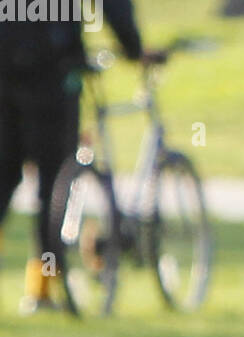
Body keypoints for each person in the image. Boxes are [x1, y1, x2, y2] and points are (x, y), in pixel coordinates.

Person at [0, 0, 152, 312]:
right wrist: (133, 47)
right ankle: (41, 289)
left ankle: (42, 286)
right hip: (52, 71)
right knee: (54, 186)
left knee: (4, 176)